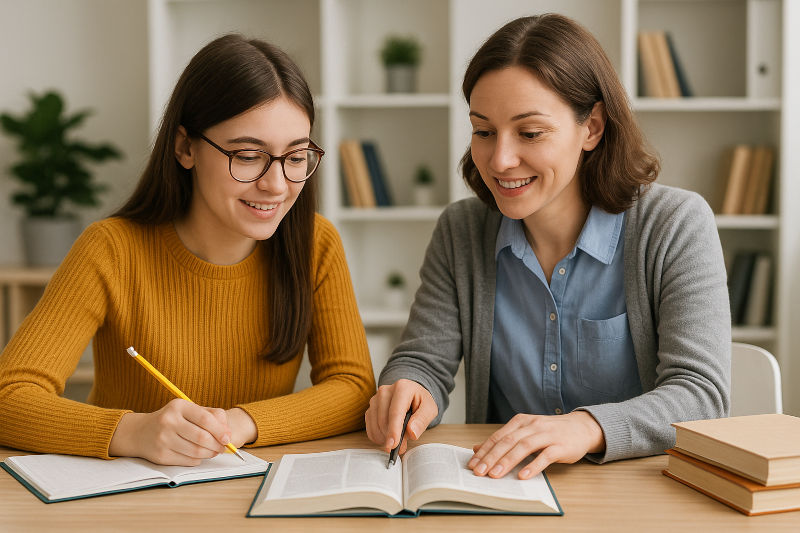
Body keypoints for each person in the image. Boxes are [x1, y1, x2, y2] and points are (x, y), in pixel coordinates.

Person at [365, 14, 730, 480]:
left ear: (592, 127)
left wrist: (585, 427)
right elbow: (423, 358)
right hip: (504, 487)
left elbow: (701, 395)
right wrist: (410, 387)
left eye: (530, 133)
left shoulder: (674, 225)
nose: (500, 160)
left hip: (637, 491)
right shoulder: (461, 230)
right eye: (483, 131)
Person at [0, 35, 375, 466]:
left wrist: (240, 422)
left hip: (251, 490)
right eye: (249, 155)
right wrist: (133, 431)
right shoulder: (110, 249)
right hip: (130, 499)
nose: (276, 185)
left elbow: (352, 387)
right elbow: (10, 398)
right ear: (185, 147)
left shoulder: (314, 242)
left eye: (295, 157)